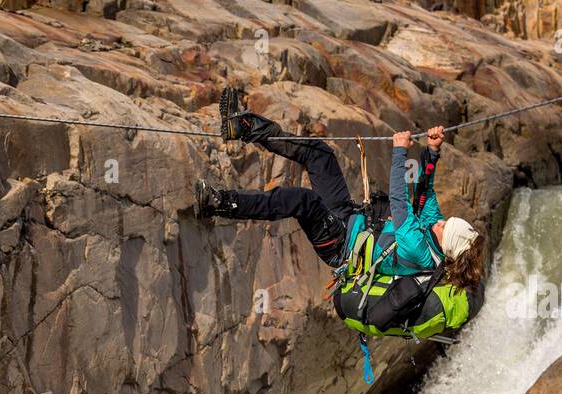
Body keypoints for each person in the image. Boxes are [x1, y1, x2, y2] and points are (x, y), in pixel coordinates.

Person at [195, 89, 485, 333]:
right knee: (318, 153)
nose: (442, 221)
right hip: (349, 218)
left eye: (446, 226)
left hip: (341, 245)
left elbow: (400, 198)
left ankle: (220, 202)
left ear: (446, 242)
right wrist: (433, 151)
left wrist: (399, 151)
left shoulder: (419, 249)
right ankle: (243, 127)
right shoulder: (434, 231)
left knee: (301, 200)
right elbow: (425, 190)